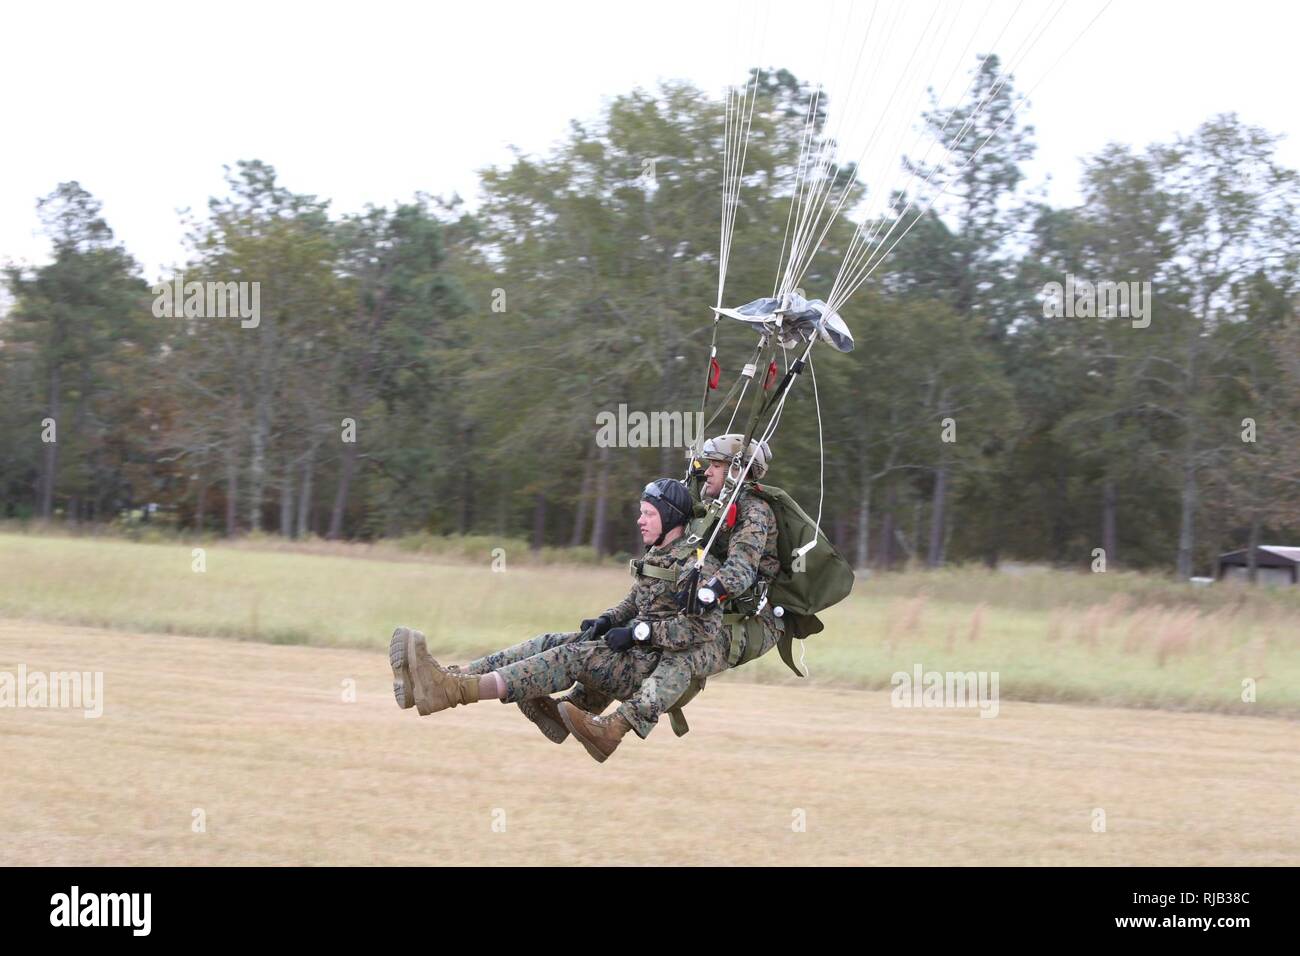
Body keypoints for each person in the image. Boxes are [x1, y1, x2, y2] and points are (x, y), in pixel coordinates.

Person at [388, 478, 728, 762]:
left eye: (648, 514)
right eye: (641, 513)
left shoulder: (697, 565)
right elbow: (637, 599)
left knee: (568, 658)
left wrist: (639, 633)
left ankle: (453, 691)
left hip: (649, 673)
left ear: (670, 517)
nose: (640, 520)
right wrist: (608, 620)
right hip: (634, 657)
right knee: (550, 642)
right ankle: (438, 681)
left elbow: (704, 629)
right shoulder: (659, 553)